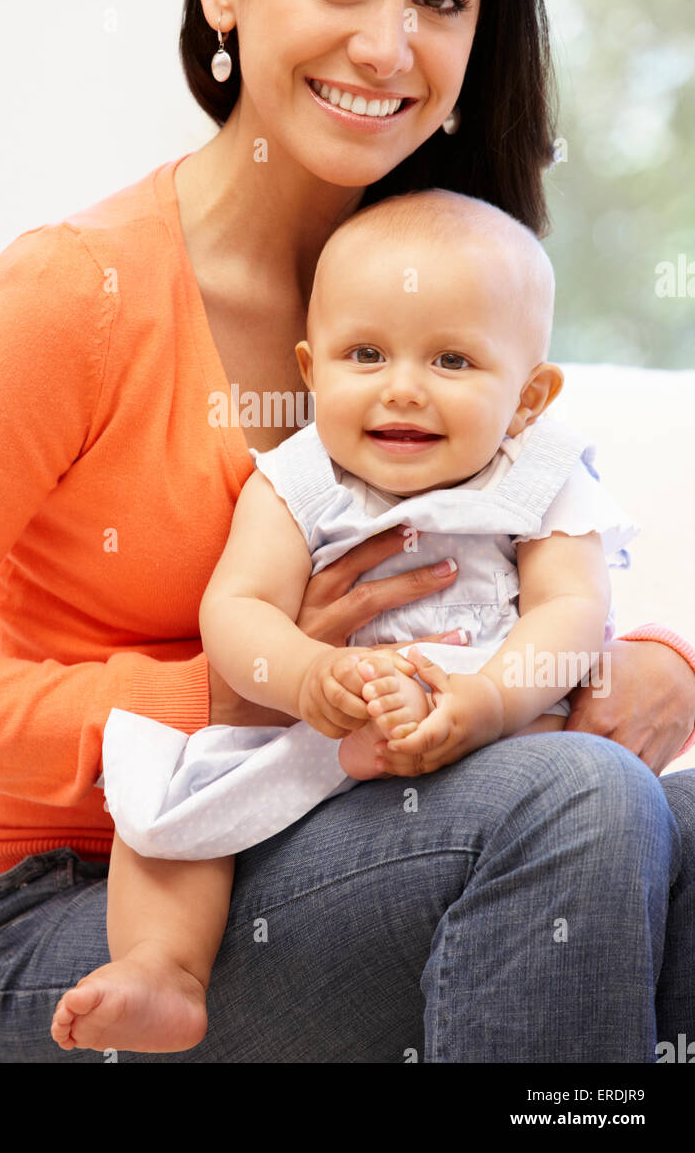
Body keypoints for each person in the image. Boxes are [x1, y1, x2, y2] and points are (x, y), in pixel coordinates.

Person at [0, 0, 693, 1063]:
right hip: (99, 901)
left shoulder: (445, 269)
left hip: (386, 815)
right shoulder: (75, 295)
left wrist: (653, 665)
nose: (386, 45)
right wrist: (230, 694)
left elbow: (513, 559)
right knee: (571, 802)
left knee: (632, 810)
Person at [50, 186, 644, 1054]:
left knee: (639, 801)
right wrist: (304, 674)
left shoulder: (540, 479)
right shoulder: (300, 479)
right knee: (180, 799)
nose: (402, 390)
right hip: (321, 742)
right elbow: (239, 605)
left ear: (528, 398)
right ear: (309, 369)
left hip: (494, 739)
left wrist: (485, 701)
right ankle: (163, 966)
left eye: (451, 362)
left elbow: (570, 611)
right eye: (365, 354)